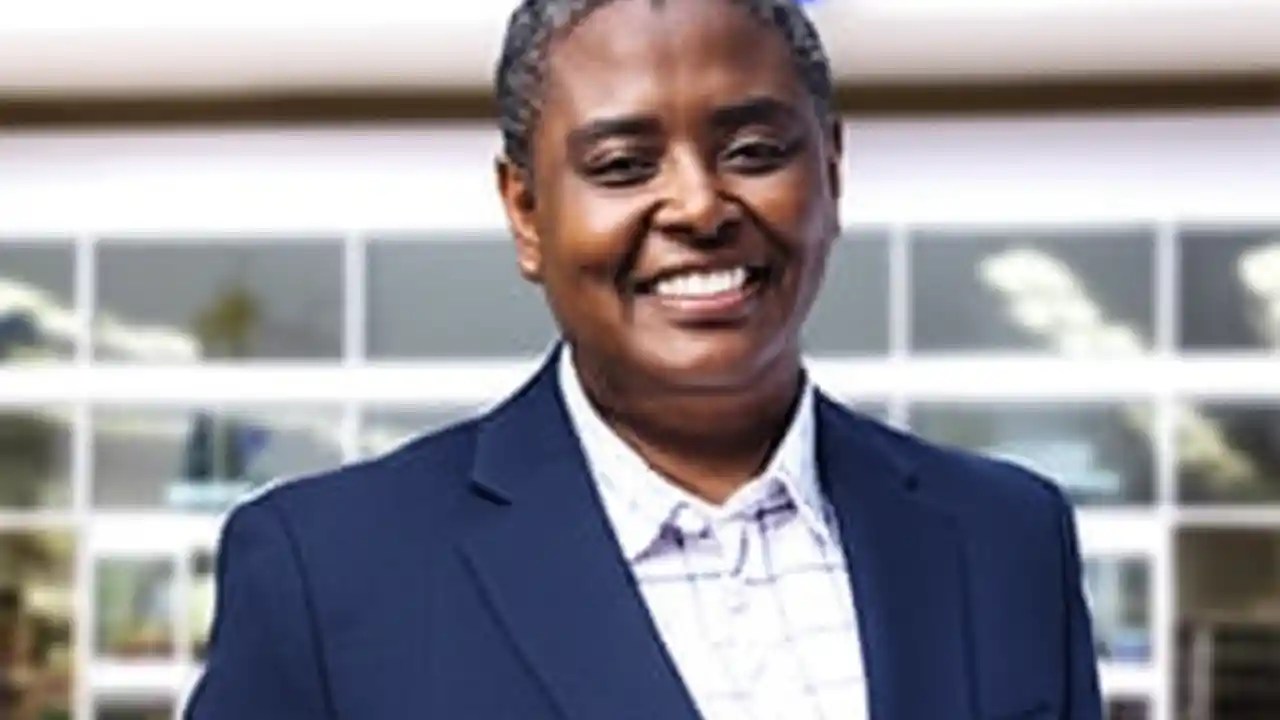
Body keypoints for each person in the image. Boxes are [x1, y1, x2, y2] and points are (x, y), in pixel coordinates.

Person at [184, 0, 1103, 718]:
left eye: (754, 150)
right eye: (623, 165)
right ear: (526, 212)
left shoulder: (1007, 538)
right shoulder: (329, 576)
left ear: (831, 168)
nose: (699, 206)